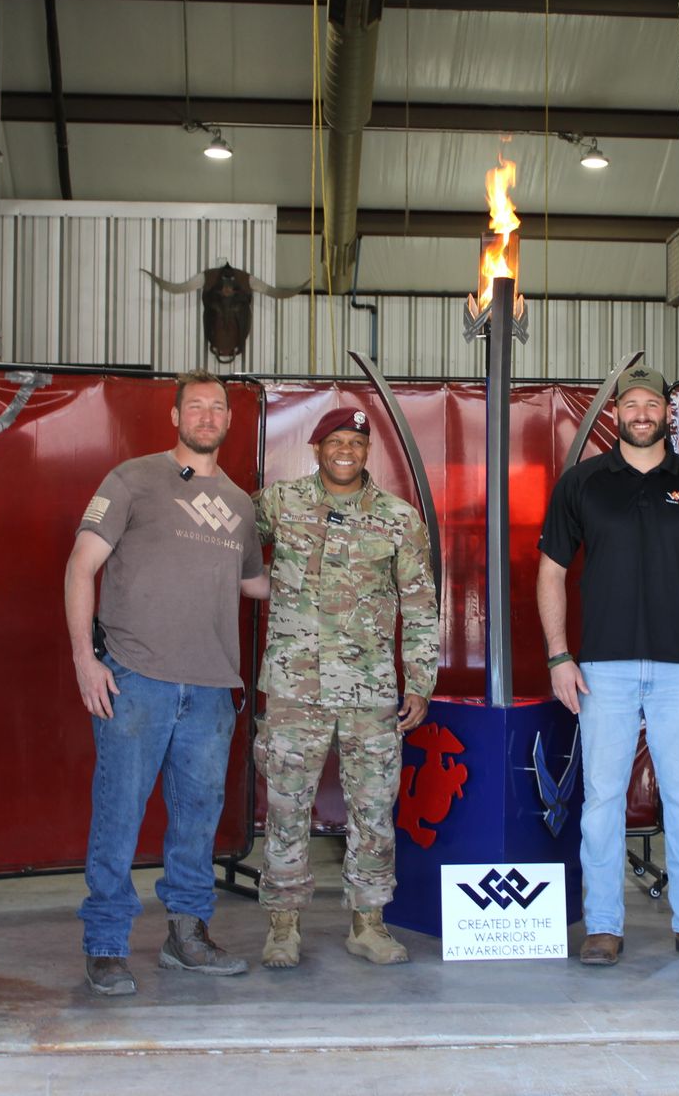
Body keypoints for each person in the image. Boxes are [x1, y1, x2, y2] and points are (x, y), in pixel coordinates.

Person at [65, 369, 271, 997]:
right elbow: (80, 567)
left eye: (217, 408)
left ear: (230, 421)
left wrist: (339, 576)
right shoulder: (132, 480)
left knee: (197, 820)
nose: (207, 417)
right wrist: (84, 659)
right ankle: (105, 945)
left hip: (211, 687)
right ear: (175, 416)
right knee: (119, 815)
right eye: (196, 407)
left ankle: (188, 936)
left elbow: (256, 584)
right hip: (136, 679)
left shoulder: (239, 503)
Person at [536, 365, 679, 968]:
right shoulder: (584, 483)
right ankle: (603, 925)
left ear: (667, 413)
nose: (641, 412)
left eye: (651, 402)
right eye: (630, 403)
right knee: (602, 798)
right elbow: (551, 571)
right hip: (602, 668)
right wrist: (559, 655)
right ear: (616, 414)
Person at [252, 406, 439, 969]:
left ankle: (368, 921)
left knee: (374, 810)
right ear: (316, 448)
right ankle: (283, 926)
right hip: (294, 688)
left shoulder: (398, 519)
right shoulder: (280, 503)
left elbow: (421, 606)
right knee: (286, 807)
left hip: (371, 692)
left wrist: (421, 679)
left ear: (366, 452)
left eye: (356, 443)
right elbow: (221, 542)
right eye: (335, 442)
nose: (345, 452)